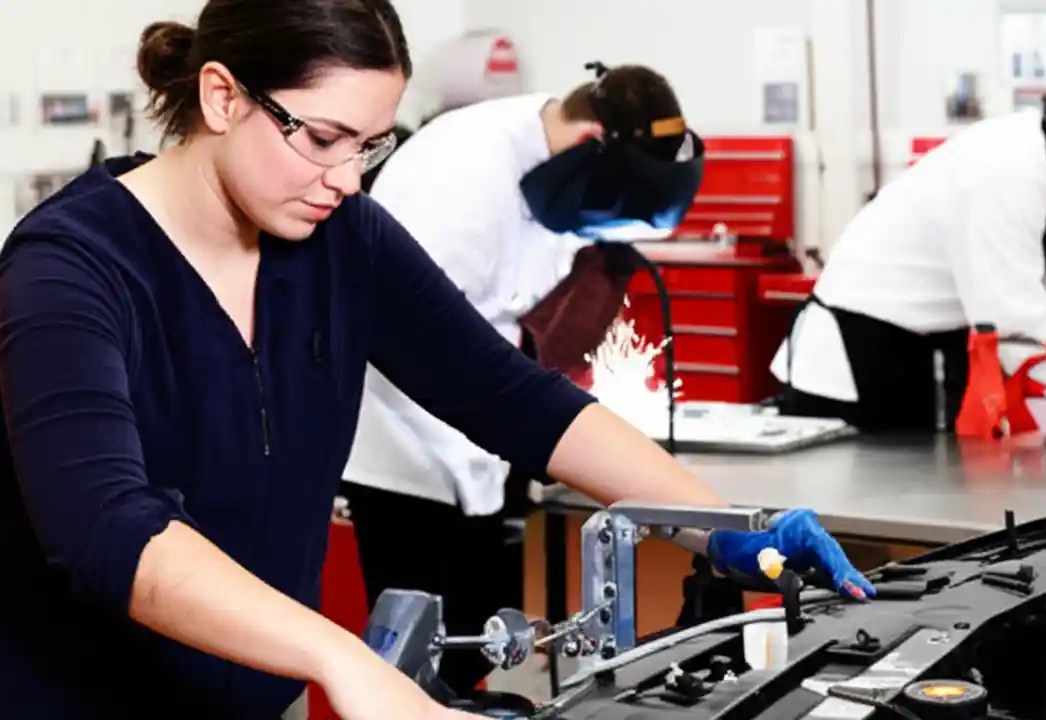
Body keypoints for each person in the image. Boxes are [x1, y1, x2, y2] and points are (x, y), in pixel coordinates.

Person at [0, 1, 873, 718]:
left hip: (258, 697)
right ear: (223, 97)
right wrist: (340, 658)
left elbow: (513, 398)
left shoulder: (341, 239)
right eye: (324, 137)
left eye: (370, 145)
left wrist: (724, 524)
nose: (348, 178)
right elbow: (110, 529)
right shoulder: (69, 268)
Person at [340, 62, 697, 691]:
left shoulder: (558, 166)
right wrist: (532, 445)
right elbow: (422, 353)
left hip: (482, 436)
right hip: (404, 445)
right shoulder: (459, 176)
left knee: (477, 644)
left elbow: (511, 325)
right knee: (414, 666)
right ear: (590, 144)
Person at [771, 57, 1046, 433]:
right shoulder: (1013, 167)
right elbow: (1010, 318)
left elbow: (1023, 261)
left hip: (908, 351)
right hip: (852, 363)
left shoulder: (1044, 159)